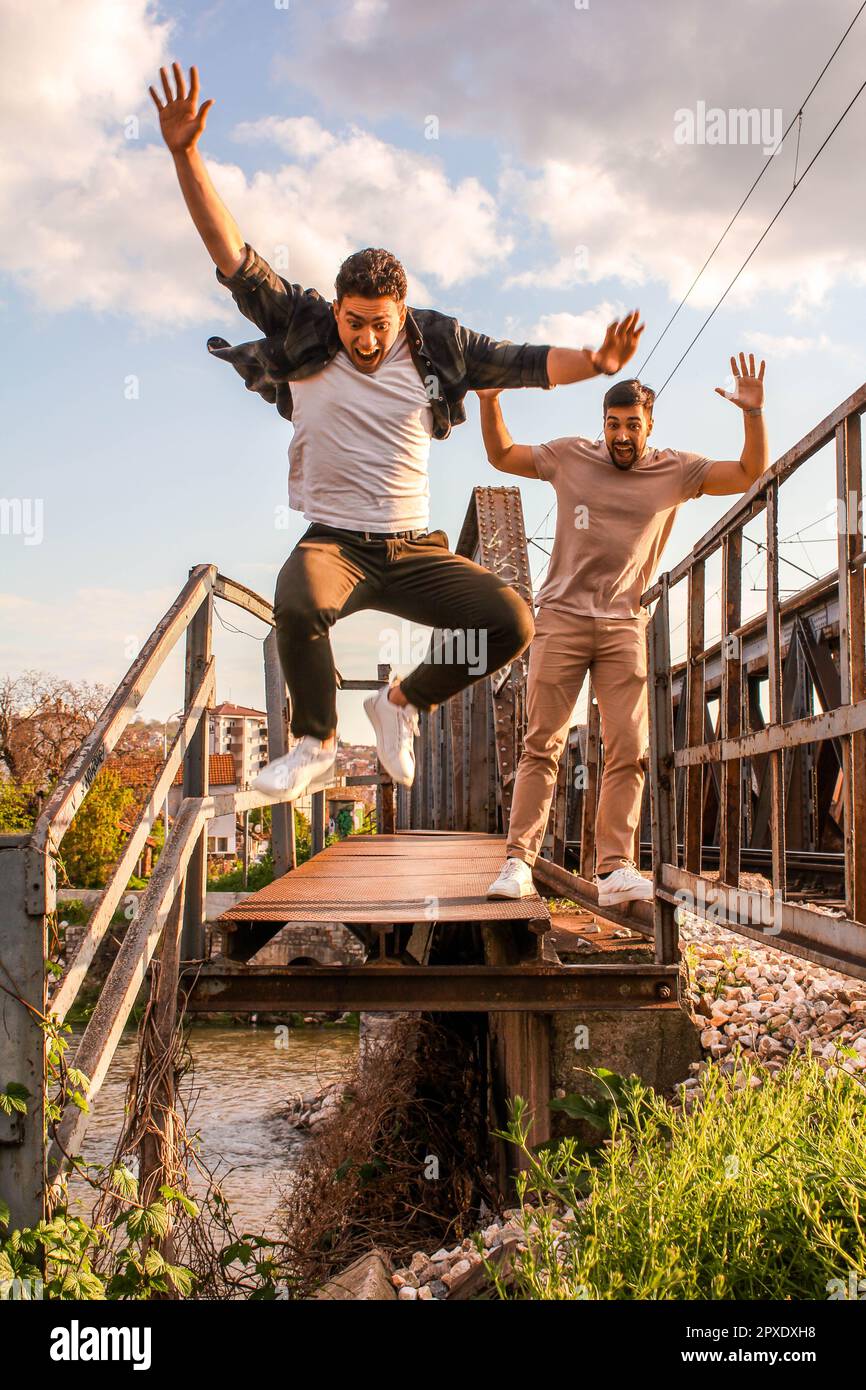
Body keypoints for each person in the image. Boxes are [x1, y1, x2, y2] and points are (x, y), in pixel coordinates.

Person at [149, 63, 645, 800]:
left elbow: (523, 361)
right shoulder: (303, 323)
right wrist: (186, 155)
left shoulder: (439, 344)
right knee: (297, 598)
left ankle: (399, 705)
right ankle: (316, 742)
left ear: (402, 311)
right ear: (337, 309)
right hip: (336, 542)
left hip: (413, 548)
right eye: (354, 323)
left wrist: (596, 361)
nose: (366, 340)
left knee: (510, 619)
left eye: (380, 325)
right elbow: (232, 256)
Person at [480, 355, 768, 905]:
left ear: (649, 426)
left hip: (623, 627)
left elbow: (748, 472)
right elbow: (501, 455)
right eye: (613, 424)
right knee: (541, 745)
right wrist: (491, 400)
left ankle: (614, 869)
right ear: (603, 423)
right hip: (561, 619)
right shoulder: (569, 457)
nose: (621, 435)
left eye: (632, 425)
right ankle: (519, 862)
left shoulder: (675, 471)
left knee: (628, 751)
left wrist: (753, 414)